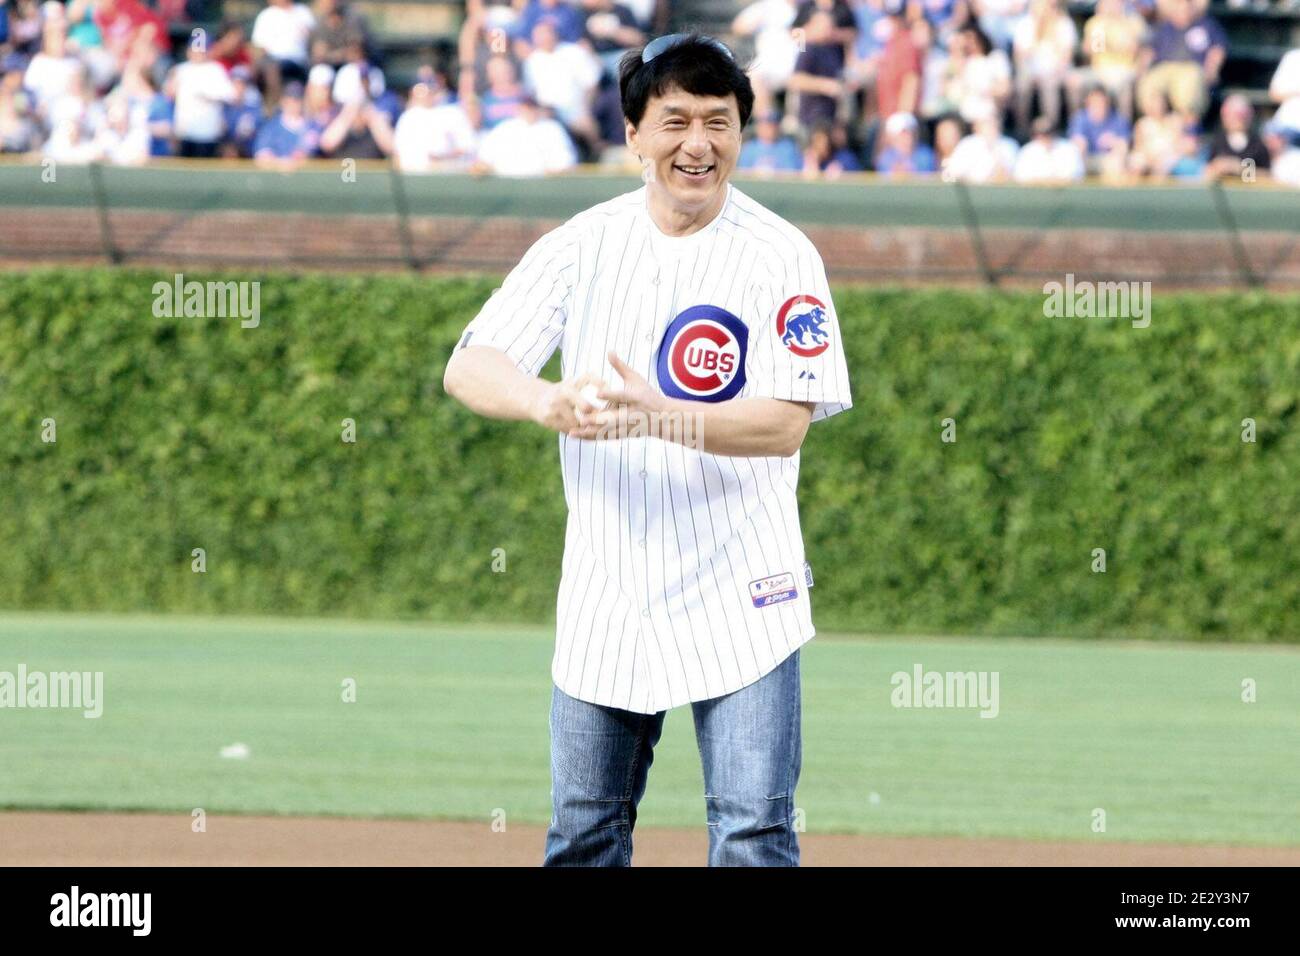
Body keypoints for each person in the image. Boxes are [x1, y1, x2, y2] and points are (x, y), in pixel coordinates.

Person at [443, 34, 852, 868]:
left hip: (747, 593)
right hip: (608, 591)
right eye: (674, 121)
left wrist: (658, 415)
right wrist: (543, 399)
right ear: (633, 135)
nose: (697, 144)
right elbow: (469, 364)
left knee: (753, 835)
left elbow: (785, 423)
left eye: (719, 122)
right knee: (585, 835)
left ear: (743, 133)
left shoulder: (784, 254)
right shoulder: (580, 243)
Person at [1136, 0, 1226, 122]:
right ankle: (1155, 124)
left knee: (1187, 86)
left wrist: (1212, 69)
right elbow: (1149, 50)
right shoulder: (1164, 27)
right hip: (1165, 67)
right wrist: (1142, 69)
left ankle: (1188, 126)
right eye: (1180, 7)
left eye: (1186, 7)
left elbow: (1217, 49)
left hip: (1191, 68)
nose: (1183, 11)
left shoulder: (1206, 25)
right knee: (1149, 83)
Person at [473, 92, 577, 174]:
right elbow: (485, 157)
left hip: (541, 185)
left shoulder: (552, 128)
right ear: (520, 109)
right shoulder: (505, 128)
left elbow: (565, 161)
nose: (529, 111)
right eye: (526, 107)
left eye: (532, 107)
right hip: (508, 183)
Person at [394, 74, 477, 171]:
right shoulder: (407, 118)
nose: (424, 94)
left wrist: (442, 157)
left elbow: (468, 148)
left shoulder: (452, 113)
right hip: (413, 175)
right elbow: (398, 154)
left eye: (429, 90)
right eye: (419, 90)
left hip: (449, 175)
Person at [172, 36, 235, 158]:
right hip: (185, 132)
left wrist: (208, 96)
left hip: (208, 132)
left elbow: (230, 95)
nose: (197, 53)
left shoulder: (215, 70)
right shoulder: (181, 69)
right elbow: (169, 93)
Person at [1067, 84, 1130, 178]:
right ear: (1088, 102)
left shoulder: (1118, 119)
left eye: (1101, 101)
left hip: (1109, 160)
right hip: (1087, 159)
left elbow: (1124, 146)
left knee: (1118, 162)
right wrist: (1082, 144)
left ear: (1107, 101)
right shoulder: (1080, 118)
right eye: (1094, 101)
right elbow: (1077, 142)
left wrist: (1113, 142)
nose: (1098, 104)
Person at [1205, 93, 1270, 181]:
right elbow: (1206, 173)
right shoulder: (1217, 142)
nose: (1238, 120)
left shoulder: (1258, 144)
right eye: (1232, 114)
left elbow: (1267, 175)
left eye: (1242, 115)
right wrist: (1218, 168)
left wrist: (1240, 169)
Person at [1013, 114, 1084, 181]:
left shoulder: (1069, 149)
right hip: (1033, 192)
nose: (1045, 137)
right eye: (1041, 133)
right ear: (1034, 135)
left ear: (1055, 132)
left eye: (1048, 132)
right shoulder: (1027, 151)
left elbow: (1075, 174)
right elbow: (1020, 176)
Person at [737, 108, 802, 173]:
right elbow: (743, 174)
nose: (769, 129)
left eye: (773, 124)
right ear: (758, 126)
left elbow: (792, 175)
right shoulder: (749, 149)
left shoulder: (788, 148)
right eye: (765, 124)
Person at [874, 109, 937, 174]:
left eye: (908, 133)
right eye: (901, 134)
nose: (906, 138)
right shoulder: (885, 158)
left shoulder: (926, 155)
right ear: (892, 137)